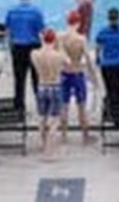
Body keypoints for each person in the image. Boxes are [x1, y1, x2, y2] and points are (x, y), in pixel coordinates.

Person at [59, 11, 97, 144]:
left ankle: (64, 136)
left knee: (64, 106)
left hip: (64, 74)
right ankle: (85, 137)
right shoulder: (81, 39)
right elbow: (88, 59)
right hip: (77, 74)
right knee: (81, 106)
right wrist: (94, 77)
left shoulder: (61, 37)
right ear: (78, 23)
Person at [5, 0, 45, 112]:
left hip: (17, 47)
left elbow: (8, 30)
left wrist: (10, 45)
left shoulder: (11, 11)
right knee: (37, 78)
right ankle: (40, 105)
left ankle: (19, 106)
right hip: (33, 47)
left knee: (19, 79)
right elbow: (42, 31)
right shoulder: (36, 11)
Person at [31, 28, 67, 159]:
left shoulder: (35, 54)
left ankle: (42, 145)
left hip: (41, 86)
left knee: (41, 118)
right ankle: (49, 152)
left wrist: (42, 42)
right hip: (55, 86)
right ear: (54, 40)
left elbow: (39, 53)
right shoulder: (58, 55)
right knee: (54, 122)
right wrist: (60, 45)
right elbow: (68, 62)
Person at [94, 7, 119, 125]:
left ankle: (113, 111)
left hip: (107, 65)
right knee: (118, 87)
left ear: (108, 19)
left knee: (110, 88)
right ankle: (117, 113)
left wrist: (97, 58)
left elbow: (98, 47)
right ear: (118, 18)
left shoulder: (102, 32)